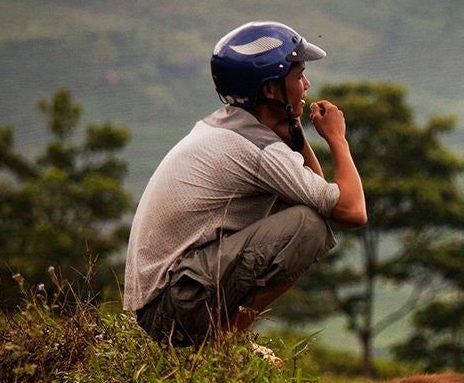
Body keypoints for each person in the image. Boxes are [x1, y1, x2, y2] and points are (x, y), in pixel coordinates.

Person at [124, 22, 367, 345]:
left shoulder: (233, 126)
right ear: (269, 90)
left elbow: (312, 190)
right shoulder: (257, 149)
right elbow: (351, 211)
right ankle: (224, 341)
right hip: (168, 311)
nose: (307, 85)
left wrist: (294, 133)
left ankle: (219, 336)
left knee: (305, 214)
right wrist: (337, 140)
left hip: (162, 303)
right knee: (309, 227)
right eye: (298, 76)